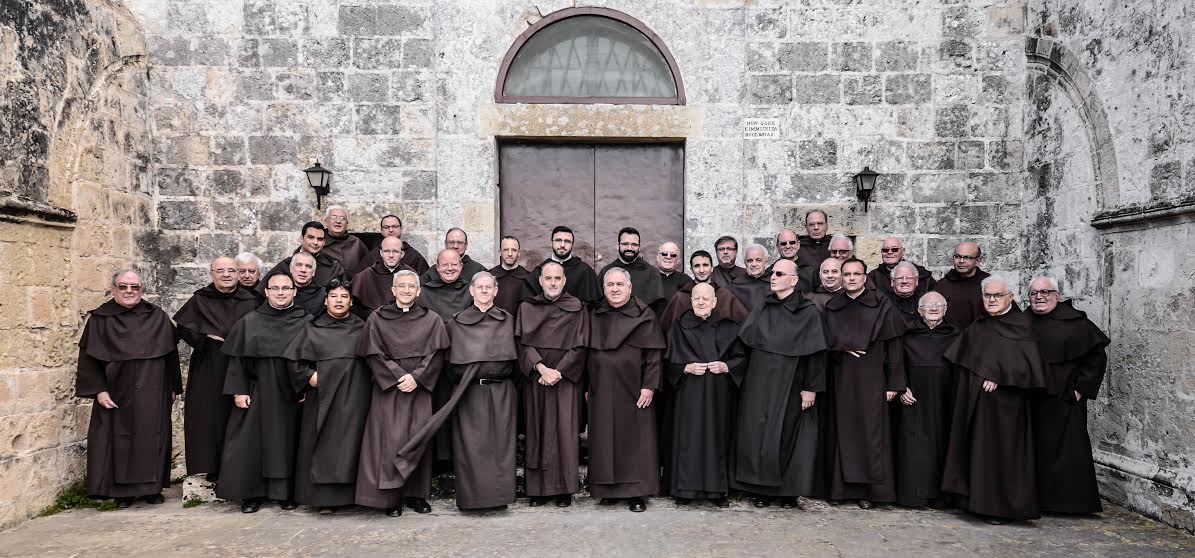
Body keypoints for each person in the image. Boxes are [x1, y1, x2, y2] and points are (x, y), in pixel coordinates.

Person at [941, 275, 1049, 524]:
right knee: (976, 451)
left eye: (997, 295)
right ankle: (973, 501)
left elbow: (1029, 366)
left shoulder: (1021, 326)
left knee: (1001, 454)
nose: (991, 300)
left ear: (1010, 297)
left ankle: (999, 507)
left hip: (1005, 407)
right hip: (975, 404)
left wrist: (1001, 375)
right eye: (987, 295)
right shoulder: (979, 325)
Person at [76, 270, 181, 507]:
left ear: (141, 290)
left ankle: (152, 490)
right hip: (115, 391)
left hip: (154, 389)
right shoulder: (100, 319)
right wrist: (99, 390)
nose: (129, 291)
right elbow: (89, 360)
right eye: (123, 287)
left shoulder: (157, 316)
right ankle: (122, 494)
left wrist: (174, 387)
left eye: (134, 287)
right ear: (113, 289)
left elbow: (170, 354)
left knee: (153, 438)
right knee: (117, 441)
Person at [731, 259, 828, 509]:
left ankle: (786, 492)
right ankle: (759, 488)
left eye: (779, 273)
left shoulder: (807, 311)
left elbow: (816, 353)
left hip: (791, 381)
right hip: (759, 378)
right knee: (756, 432)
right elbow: (745, 343)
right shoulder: (763, 305)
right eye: (772, 273)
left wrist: (811, 388)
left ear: (793, 280)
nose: (772, 277)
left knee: (785, 434)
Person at [355, 270, 450, 517]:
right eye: (402, 286)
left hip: (419, 389)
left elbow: (436, 355)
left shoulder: (432, 320)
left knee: (418, 440)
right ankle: (392, 497)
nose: (406, 290)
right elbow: (373, 353)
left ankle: (416, 495)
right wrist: (399, 376)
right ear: (393, 290)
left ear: (419, 291)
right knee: (390, 442)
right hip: (389, 388)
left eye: (411, 286)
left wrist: (416, 378)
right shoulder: (377, 318)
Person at [217, 271, 310, 513]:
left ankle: (286, 494)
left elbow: (312, 358)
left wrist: (306, 386)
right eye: (275, 288)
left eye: (286, 288)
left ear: (294, 291)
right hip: (257, 391)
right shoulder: (250, 322)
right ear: (266, 292)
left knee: (290, 443)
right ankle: (252, 494)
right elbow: (237, 359)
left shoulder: (306, 320)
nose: (281, 292)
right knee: (252, 444)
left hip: (293, 393)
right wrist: (238, 390)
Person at [820, 258, 908, 509]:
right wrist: (841, 347)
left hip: (873, 378)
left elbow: (895, 347)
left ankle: (869, 492)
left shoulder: (882, 305)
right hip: (842, 377)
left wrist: (894, 383)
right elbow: (824, 343)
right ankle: (841, 490)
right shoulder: (833, 306)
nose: (851, 278)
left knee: (871, 434)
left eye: (856, 274)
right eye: (846, 274)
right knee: (843, 431)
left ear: (864, 276)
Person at [285, 279, 371, 513]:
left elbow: (374, 359)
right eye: (334, 296)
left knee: (352, 445)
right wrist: (309, 375)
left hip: (355, 397)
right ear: (325, 300)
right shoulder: (313, 327)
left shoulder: (363, 328)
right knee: (321, 444)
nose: (339, 301)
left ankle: (355, 496)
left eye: (344, 297)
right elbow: (294, 361)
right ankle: (324, 500)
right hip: (321, 397)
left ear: (351, 302)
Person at [1025, 276, 1110, 515]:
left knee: (1068, 451)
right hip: (1031, 399)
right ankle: (1038, 500)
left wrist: (1080, 389)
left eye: (1045, 292)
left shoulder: (1077, 324)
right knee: (1033, 450)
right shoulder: (1021, 321)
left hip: (1064, 399)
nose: (1039, 297)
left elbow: (1096, 358)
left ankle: (1070, 504)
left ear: (1058, 295)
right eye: (1033, 293)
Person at [587, 268, 666, 512]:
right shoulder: (595, 314)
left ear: (630, 288)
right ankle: (608, 490)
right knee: (604, 440)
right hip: (602, 387)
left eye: (620, 284)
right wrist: (588, 385)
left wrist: (649, 386)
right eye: (610, 284)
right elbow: (587, 353)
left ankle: (636, 493)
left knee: (636, 441)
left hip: (635, 389)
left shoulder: (645, 315)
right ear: (604, 288)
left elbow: (654, 355)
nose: (615, 288)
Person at [439, 272, 519, 510]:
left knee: (501, 447)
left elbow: (517, 360)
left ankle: (499, 499)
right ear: (471, 291)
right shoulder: (456, 322)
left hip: (502, 391)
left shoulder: (508, 320)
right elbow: (447, 363)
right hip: (469, 392)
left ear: (496, 291)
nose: (484, 291)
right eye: (480, 287)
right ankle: (471, 500)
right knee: (470, 447)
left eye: (489, 287)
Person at [173, 257, 257, 481]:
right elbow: (184, 327)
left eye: (231, 270)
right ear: (212, 274)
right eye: (221, 270)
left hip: (242, 364)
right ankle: (213, 467)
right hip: (209, 364)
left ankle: (239, 465)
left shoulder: (250, 300)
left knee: (238, 415)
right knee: (210, 415)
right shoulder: (200, 299)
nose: (227, 274)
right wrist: (204, 337)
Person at [664, 283, 746, 507]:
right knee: (687, 439)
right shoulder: (678, 327)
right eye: (696, 298)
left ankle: (718, 491)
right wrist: (684, 368)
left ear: (715, 302)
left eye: (705, 298)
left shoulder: (729, 327)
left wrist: (727, 366)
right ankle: (684, 490)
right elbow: (666, 361)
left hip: (719, 393)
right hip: (688, 392)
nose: (701, 302)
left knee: (718, 437)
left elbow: (742, 358)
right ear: (690, 301)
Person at [516, 261, 589, 507]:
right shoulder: (527, 307)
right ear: (540, 281)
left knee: (565, 434)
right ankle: (537, 491)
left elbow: (580, 345)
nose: (553, 283)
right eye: (548, 278)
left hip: (565, 380)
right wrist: (541, 368)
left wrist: (559, 371)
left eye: (557, 278)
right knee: (536, 432)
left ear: (564, 281)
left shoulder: (577, 307)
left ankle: (563, 490)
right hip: (537, 377)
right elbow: (522, 344)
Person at [893, 291, 959, 508]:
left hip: (944, 398)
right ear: (919, 310)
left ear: (945, 309)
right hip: (913, 398)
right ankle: (913, 496)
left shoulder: (956, 335)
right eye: (928, 305)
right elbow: (896, 361)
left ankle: (940, 496)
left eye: (938, 305)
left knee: (942, 444)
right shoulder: (907, 334)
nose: (933, 308)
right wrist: (902, 387)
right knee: (913, 445)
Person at [657, 250, 748, 332]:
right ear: (691, 270)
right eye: (697, 266)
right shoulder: (680, 298)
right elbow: (666, 329)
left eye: (705, 265)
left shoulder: (724, 296)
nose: (701, 270)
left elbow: (743, 325)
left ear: (712, 268)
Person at [522, 225, 601, 304]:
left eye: (567, 241)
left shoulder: (585, 271)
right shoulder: (539, 271)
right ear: (552, 243)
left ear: (572, 245)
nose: (562, 245)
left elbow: (594, 306)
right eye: (558, 240)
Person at [598, 227, 666, 312]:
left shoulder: (651, 272)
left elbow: (658, 307)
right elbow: (599, 303)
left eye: (634, 244)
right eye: (625, 244)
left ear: (639, 247)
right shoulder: (606, 272)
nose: (629, 248)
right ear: (617, 245)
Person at [259, 221, 345, 289]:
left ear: (323, 243)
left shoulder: (333, 268)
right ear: (301, 239)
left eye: (319, 239)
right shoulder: (285, 266)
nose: (315, 242)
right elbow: (262, 292)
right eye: (311, 237)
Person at [933, 241, 990, 329]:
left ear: (977, 261)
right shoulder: (942, 286)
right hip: (951, 339)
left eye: (967, 257)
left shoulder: (990, 284)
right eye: (958, 257)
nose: (961, 261)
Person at [351, 237, 414, 314]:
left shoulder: (411, 275)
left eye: (395, 251)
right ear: (381, 253)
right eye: (387, 251)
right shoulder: (366, 275)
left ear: (402, 254)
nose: (391, 255)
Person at [359, 214, 430, 275]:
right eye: (386, 227)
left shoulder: (413, 256)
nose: (391, 230)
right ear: (382, 231)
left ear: (401, 229)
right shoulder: (372, 256)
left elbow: (425, 280)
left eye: (394, 226)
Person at [868, 236, 935, 298]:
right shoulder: (873, 278)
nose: (889, 252)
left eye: (894, 249)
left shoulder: (922, 275)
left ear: (903, 252)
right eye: (885, 250)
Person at [417, 249, 473, 322]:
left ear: (461, 266)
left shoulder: (471, 292)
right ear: (437, 267)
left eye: (454, 264)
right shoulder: (423, 292)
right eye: (445, 265)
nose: (450, 268)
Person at [321, 205, 370, 275]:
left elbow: (369, 265)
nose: (338, 221)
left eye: (342, 218)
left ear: (347, 223)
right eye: (334, 217)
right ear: (326, 222)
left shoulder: (356, 242)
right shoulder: (319, 241)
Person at [721, 244, 771, 311]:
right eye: (749, 261)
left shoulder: (774, 282)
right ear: (745, 263)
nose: (754, 264)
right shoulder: (734, 286)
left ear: (765, 263)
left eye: (758, 260)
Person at [489, 235, 529, 316]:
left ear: (519, 253)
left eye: (514, 250)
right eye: (506, 250)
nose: (510, 254)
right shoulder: (489, 277)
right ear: (500, 252)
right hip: (495, 324)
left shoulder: (528, 278)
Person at [884, 261, 931, 326]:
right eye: (900, 278)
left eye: (909, 277)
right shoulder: (883, 304)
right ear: (892, 282)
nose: (904, 281)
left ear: (917, 281)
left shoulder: (926, 302)